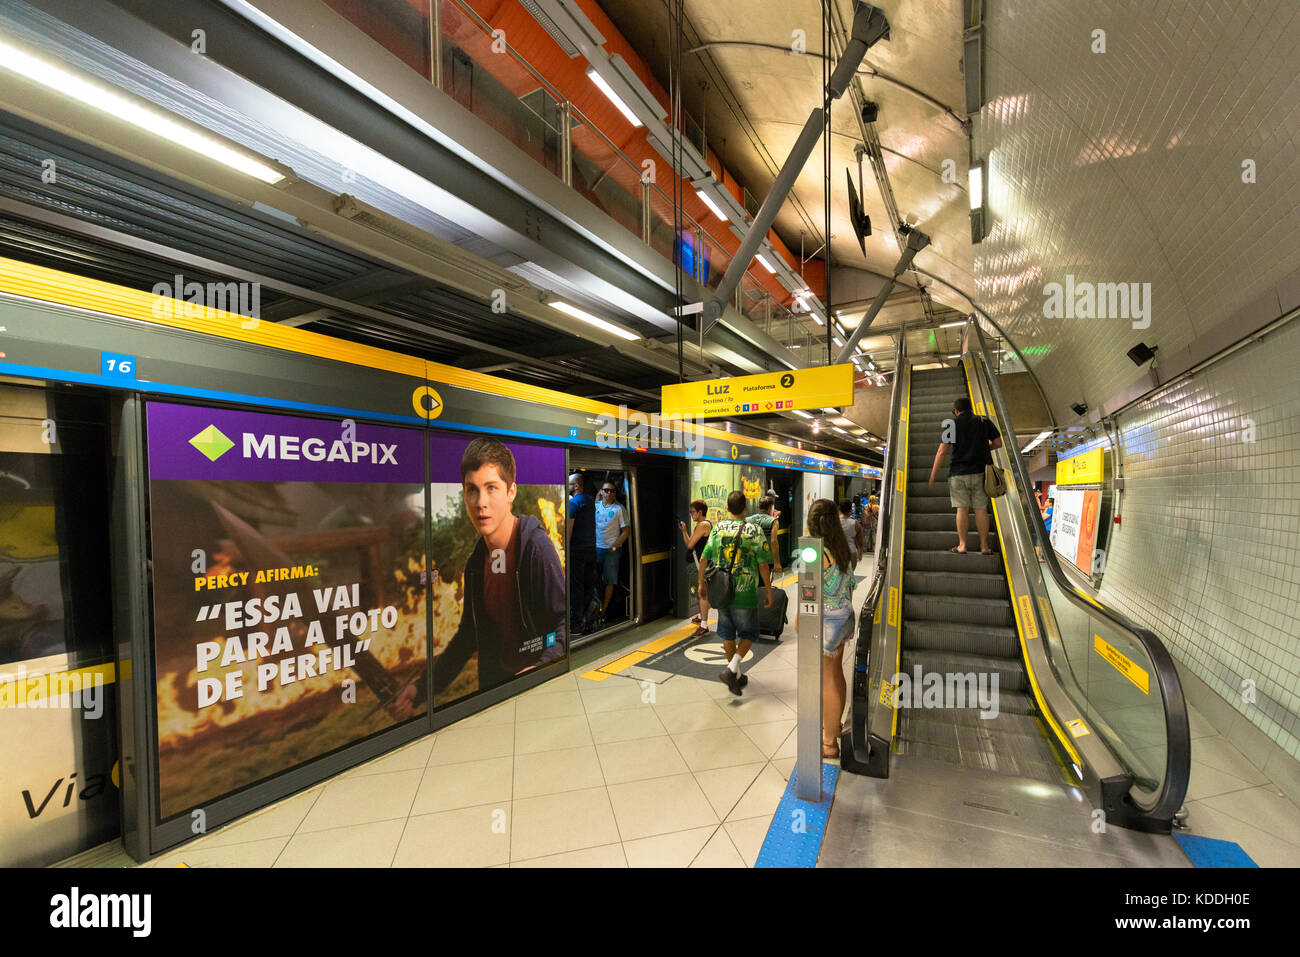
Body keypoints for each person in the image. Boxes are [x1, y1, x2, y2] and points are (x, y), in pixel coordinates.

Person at [394, 438, 566, 713]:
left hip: (537, 692)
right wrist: (420, 689)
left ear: (511, 492)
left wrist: (538, 670)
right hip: (495, 688)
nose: (480, 503)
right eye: (471, 490)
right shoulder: (476, 563)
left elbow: (563, 623)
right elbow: (467, 637)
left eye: (491, 488)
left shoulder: (535, 549)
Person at [699, 490, 773, 695]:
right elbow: (763, 564)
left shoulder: (718, 528)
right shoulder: (754, 530)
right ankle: (732, 669)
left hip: (721, 591)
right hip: (745, 591)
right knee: (749, 634)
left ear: (728, 508)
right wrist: (768, 590)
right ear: (745, 508)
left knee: (727, 633)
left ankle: (736, 678)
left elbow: (704, 558)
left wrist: (700, 584)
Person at [805, 499, 856, 760]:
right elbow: (850, 585)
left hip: (827, 622)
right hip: (845, 615)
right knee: (836, 674)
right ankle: (835, 728)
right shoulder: (843, 548)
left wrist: (799, 619)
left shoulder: (813, 551)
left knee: (826, 679)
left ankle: (828, 742)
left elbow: (808, 594)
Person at [926, 397, 1003, 555]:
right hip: (981, 472)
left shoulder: (951, 424)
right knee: (981, 509)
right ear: (971, 408)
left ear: (956, 411)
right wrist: (983, 448)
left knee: (962, 509)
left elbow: (942, 451)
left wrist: (933, 475)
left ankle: (962, 545)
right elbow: (998, 443)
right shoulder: (983, 421)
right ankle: (984, 546)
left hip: (958, 473)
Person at [566, 472, 598, 633]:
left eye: (570, 483)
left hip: (577, 551)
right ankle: (588, 619)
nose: (567, 485)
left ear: (577, 485)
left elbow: (569, 530)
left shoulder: (573, 504)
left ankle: (575, 623)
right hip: (591, 549)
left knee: (576, 587)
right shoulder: (590, 502)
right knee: (588, 586)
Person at [595, 478, 629, 619]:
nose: (609, 493)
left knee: (610, 580)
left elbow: (626, 531)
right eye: (606, 490)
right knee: (596, 580)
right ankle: (595, 607)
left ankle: (604, 610)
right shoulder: (596, 506)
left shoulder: (619, 509)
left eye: (612, 491)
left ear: (615, 493)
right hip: (596, 549)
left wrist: (615, 546)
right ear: (602, 492)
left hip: (611, 551)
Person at [679, 499, 712, 637]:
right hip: (698, 564)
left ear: (700, 512)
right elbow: (689, 543)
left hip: (700, 565)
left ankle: (704, 625)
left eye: (693, 512)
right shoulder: (700, 525)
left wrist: (687, 533)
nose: (691, 514)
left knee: (701, 593)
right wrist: (684, 531)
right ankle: (700, 616)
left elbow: (690, 545)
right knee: (699, 592)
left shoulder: (703, 525)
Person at [749, 495, 782, 576]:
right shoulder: (773, 521)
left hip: (751, 558)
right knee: (765, 585)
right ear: (771, 507)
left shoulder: (748, 519)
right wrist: (777, 562)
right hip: (766, 560)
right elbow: (773, 541)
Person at [839, 500, 864, 568]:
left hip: (837, 552)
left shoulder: (834, 522)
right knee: (849, 575)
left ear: (839, 509)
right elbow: (860, 542)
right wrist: (860, 554)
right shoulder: (856, 524)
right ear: (850, 510)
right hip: (851, 551)